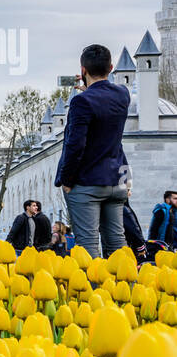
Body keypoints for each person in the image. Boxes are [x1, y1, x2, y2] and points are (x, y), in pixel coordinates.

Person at [55, 44, 131, 259]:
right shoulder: (123, 95)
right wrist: (127, 179)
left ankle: (92, 293)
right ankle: (126, 291)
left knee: (87, 249)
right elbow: (113, 136)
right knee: (117, 244)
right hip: (116, 181)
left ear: (83, 71)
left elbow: (75, 144)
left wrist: (66, 179)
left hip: (87, 183)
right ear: (111, 67)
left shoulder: (81, 102)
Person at [147, 190, 177, 256]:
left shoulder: (174, 211)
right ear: (167, 199)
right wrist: (152, 246)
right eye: (175, 198)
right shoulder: (161, 211)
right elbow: (153, 229)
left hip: (172, 246)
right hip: (161, 246)